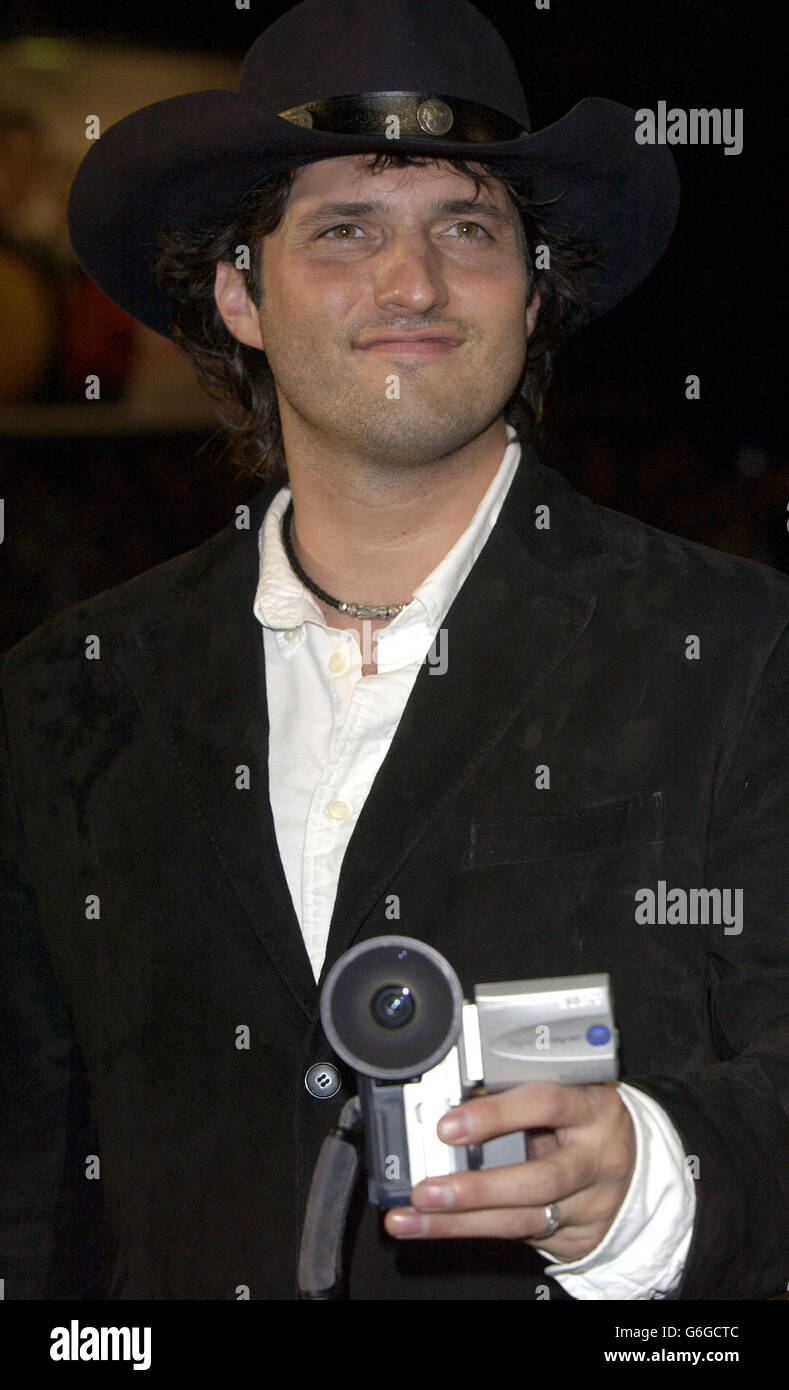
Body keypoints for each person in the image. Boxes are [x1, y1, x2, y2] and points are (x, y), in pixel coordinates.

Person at [1, 0, 787, 1302]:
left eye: (467, 228)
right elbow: (32, 1175)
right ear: (239, 293)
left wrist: (639, 1177)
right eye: (345, 228)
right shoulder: (61, 698)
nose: (411, 283)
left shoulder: (738, 657)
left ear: (534, 294)